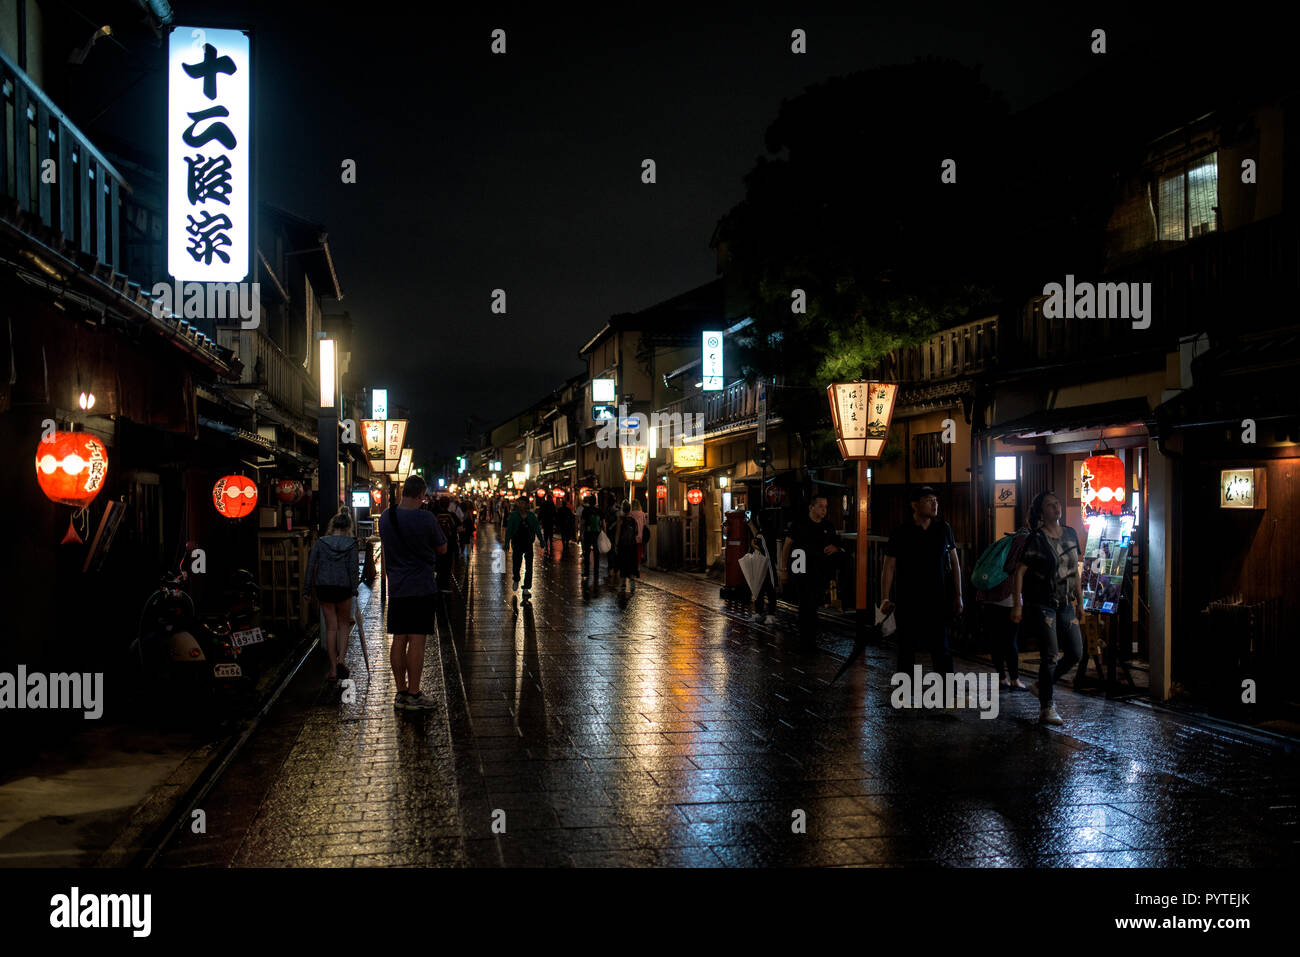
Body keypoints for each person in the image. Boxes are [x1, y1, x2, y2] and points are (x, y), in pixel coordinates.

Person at [1010, 490, 1083, 726]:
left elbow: (1075, 572)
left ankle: (1042, 685)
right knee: (1050, 655)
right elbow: (1020, 572)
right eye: (1050, 505)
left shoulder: (1071, 534)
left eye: (1057, 503)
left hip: (1066, 603)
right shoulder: (1037, 538)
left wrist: (1080, 602)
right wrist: (1016, 605)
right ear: (1042, 512)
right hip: (1043, 605)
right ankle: (1047, 707)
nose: (1056, 508)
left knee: (1075, 652)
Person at [880, 486, 963, 687]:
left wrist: (958, 595)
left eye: (936, 500)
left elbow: (954, 562)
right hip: (908, 598)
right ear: (915, 505)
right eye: (928, 500)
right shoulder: (902, 531)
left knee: (941, 648)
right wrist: (885, 597)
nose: (934, 504)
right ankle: (906, 690)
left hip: (938, 598)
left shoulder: (943, 528)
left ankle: (946, 691)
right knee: (906, 648)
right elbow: (889, 566)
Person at [378, 475, 447, 711]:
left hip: (396, 587)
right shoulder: (425, 517)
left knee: (399, 639)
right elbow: (442, 547)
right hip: (421, 586)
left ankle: (401, 692)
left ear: (402, 492)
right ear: (421, 495)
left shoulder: (387, 516)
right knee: (417, 639)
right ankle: (415, 694)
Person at [780, 494, 844, 650]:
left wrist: (835, 548)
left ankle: (811, 638)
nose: (824, 510)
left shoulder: (828, 526)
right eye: (821, 506)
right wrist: (783, 569)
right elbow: (787, 546)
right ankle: (806, 639)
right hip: (801, 568)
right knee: (805, 603)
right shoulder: (799, 524)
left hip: (820, 570)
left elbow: (837, 543)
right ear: (811, 507)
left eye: (826, 507)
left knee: (814, 604)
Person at [975, 522, 1032, 690]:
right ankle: (1015, 680)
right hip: (1008, 596)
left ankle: (1002, 678)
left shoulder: (1009, 539)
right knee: (1010, 641)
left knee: (996, 640)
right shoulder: (1026, 541)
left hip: (990, 593)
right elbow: (1015, 570)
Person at [305, 508, 360, 680]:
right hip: (343, 588)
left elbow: (310, 565)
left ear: (332, 526)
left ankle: (333, 669)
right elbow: (353, 569)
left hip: (324, 587)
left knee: (331, 627)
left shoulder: (321, 543)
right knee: (344, 625)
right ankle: (341, 660)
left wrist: (307, 589)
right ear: (348, 527)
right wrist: (354, 587)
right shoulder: (351, 544)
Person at [503, 496, 543, 600]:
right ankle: (516, 578)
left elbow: (537, 529)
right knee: (516, 563)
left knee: (529, 566)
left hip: (528, 543)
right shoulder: (514, 516)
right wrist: (507, 542)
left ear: (526, 504)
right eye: (519, 503)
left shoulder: (531, 516)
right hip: (517, 543)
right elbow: (509, 530)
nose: (520, 505)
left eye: (522, 503)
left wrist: (542, 541)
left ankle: (526, 587)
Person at [747, 512, 778, 624]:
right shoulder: (766, 532)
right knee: (761, 589)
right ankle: (762, 613)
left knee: (767, 590)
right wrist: (751, 525)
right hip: (764, 565)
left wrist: (754, 545)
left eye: (758, 518)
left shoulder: (763, 534)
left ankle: (769, 614)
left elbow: (764, 549)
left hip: (766, 565)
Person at [614, 501, 639, 592]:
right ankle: (632, 583)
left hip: (623, 545)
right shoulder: (633, 520)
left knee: (623, 563)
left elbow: (617, 533)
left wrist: (616, 545)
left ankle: (623, 583)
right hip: (632, 545)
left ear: (622, 510)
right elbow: (636, 533)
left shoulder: (621, 520)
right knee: (631, 563)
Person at [580, 495, 604, 585]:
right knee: (596, 552)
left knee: (587, 552)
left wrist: (581, 533)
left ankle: (586, 571)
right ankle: (596, 571)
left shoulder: (585, 510)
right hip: (597, 533)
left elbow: (582, 523)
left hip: (588, 533)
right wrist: (603, 533)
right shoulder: (599, 511)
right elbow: (603, 523)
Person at [628, 499, 648, 575]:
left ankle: (632, 567)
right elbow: (644, 524)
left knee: (632, 552)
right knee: (639, 552)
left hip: (632, 536)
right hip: (640, 536)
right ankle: (638, 567)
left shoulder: (630, 514)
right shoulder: (642, 514)